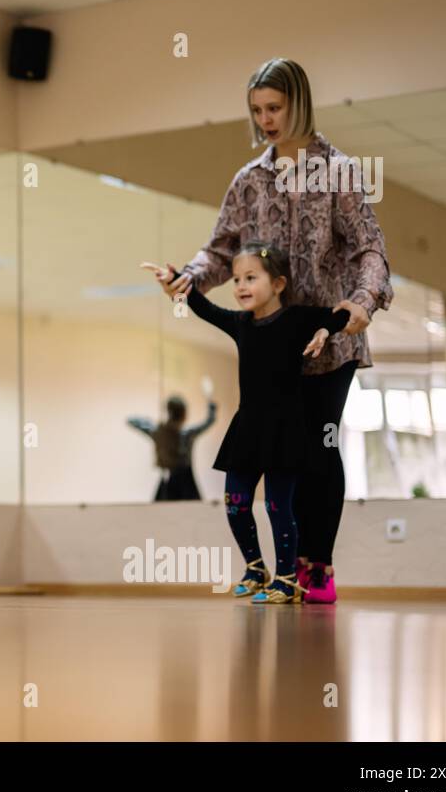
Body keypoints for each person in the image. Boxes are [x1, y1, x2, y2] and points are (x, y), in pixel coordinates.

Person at [158, 58, 393, 603]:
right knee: (282, 454)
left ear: (299, 104)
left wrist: (363, 301)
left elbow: (370, 249)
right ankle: (281, 570)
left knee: (319, 444)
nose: (265, 119)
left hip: (331, 336)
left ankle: (318, 567)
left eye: (275, 108)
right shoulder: (248, 181)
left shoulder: (338, 171)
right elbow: (220, 250)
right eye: (257, 110)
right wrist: (188, 277)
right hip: (273, 341)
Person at [143, 241, 350, 603]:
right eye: (237, 279)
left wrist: (324, 331)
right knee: (235, 502)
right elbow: (203, 307)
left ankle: (286, 577)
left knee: (277, 506)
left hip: (285, 431)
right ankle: (256, 568)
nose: (240, 286)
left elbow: (339, 315)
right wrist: (176, 279)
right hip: (248, 430)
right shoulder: (240, 324)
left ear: (279, 285)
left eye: (251, 278)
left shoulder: (297, 319)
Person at [126, 395, 217, 501]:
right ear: (183, 414)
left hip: (169, 482)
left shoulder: (158, 431)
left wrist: (152, 423)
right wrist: (212, 408)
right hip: (185, 484)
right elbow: (209, 421)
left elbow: (132, 421)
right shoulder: (185, 434)